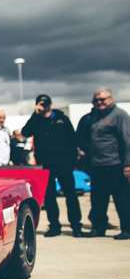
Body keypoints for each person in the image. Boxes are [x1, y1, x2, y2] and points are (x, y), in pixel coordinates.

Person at [21, 94, 82, 237]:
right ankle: (54, 226)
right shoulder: (36, 120)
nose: (43, 106)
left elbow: (73, 140)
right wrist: (35, 115)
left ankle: (76, 226)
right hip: (46, 164)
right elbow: (25, 132)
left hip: (64, 163)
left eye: (45, 104)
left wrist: (73, 161)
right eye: (40, 104)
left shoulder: (62, 119)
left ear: (50, 104)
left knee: (70, 195)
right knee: (49, 197)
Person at [77, 88, 130, 239]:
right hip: (97, 165)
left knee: (122, 199)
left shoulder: (120, 115)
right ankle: (98, 228)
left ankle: (127, 229)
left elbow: (128, 141)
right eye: (96, 100)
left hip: (116, 165)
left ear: (111, 99)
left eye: (103, 99)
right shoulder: (93, 117)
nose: (100, 102)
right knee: (98, 199)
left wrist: (128, 164)